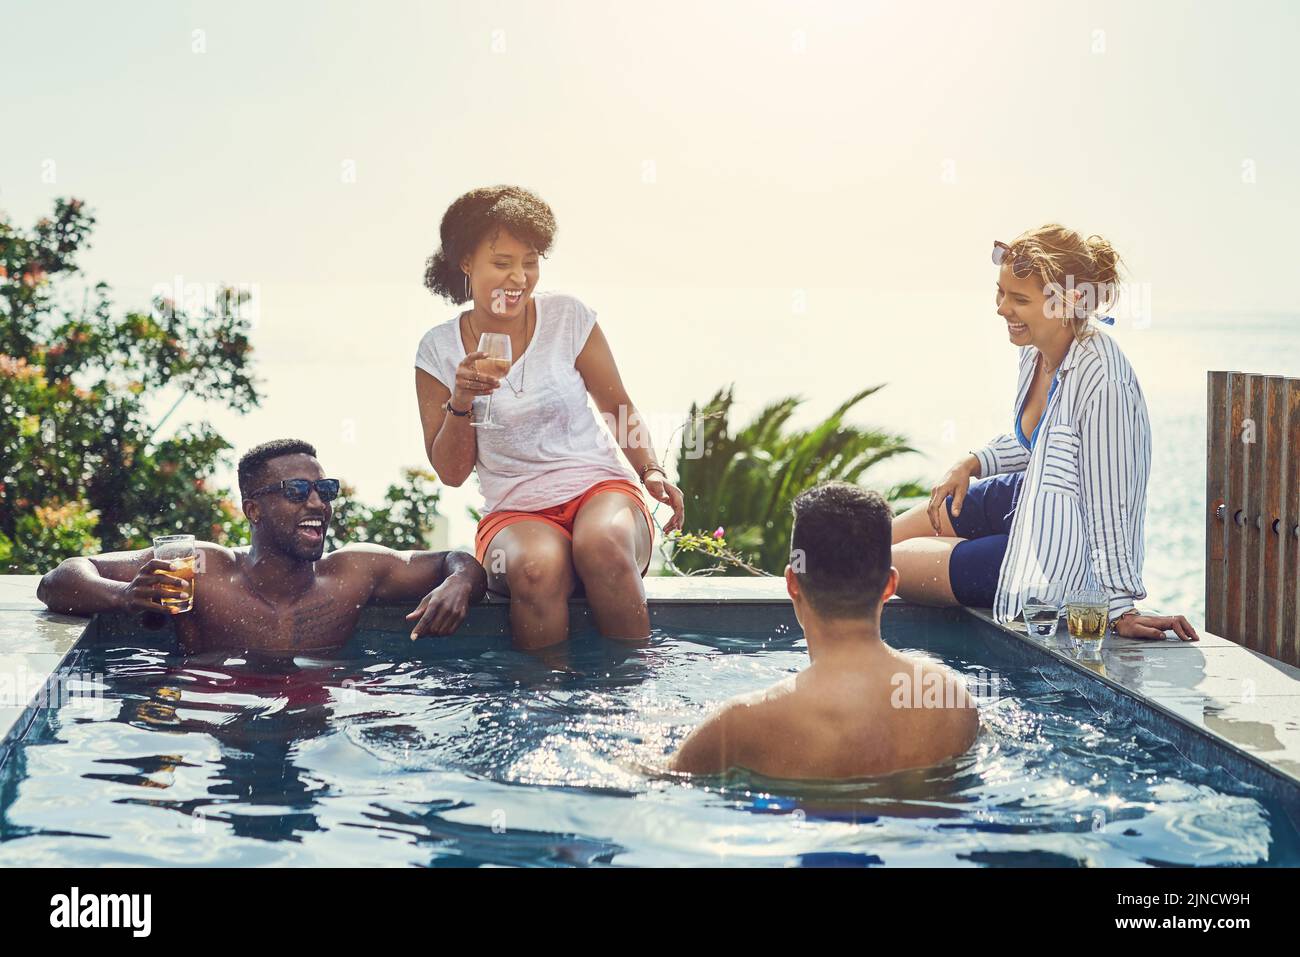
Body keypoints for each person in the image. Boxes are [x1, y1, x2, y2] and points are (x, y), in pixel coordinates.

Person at [890, 226, 1199, 642]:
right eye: (1000, 293)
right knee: (876, 542)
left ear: (1067, 301)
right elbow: (1040, 442)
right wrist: (974, 462)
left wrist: (1120, 605)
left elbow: (1112, 497)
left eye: (1019, 300)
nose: (1002, 309)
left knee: (883, 566)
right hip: (1022, 497)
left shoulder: (1103, 378)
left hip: (1054, 554)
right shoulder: (1033, 350)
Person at [414, 185, 685, 651]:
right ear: (465, 263)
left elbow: (618, 406)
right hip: (516, 512)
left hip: (599, 489)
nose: (519, 277)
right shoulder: (437, 350)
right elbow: (452, 473)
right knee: (536, 571)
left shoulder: (568, 317)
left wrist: (651, 470)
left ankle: (636, 695)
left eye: (531, 260)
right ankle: (545, 712)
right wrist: (460, 400)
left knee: (602, 545)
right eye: (502, 263)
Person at [36, 439, 487, 653]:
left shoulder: (353, 573)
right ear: (253, 510)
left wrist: (462, 581)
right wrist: (124, 597)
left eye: (324, 490)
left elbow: (455, 560)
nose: (317, 503)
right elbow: (58, 579)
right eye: (296, 492)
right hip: (214, 713)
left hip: (319, 719)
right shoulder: (201, 567)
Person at [669, 483, 978, 779]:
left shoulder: (739, 725)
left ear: (792, 583)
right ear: (890, 585)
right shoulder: (953, 703)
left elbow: (654, 782)